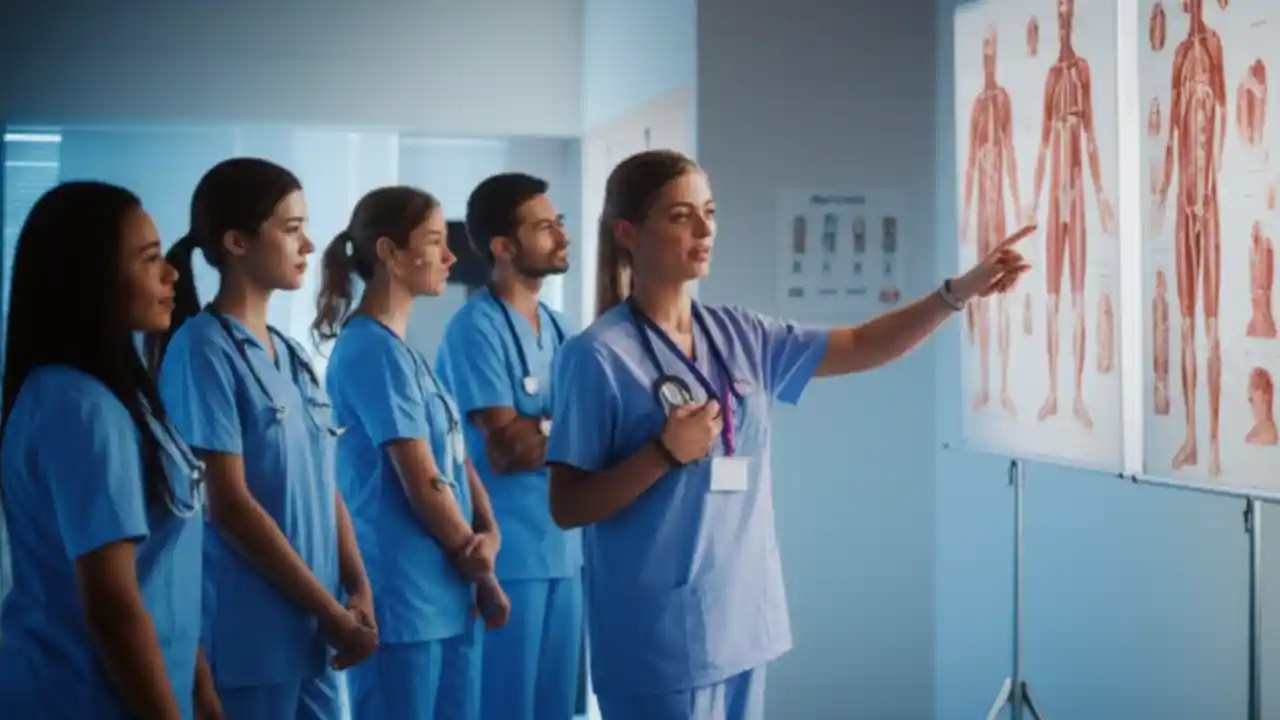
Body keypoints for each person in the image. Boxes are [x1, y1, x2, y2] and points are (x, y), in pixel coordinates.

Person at [546, 150, 1031, 719]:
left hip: (743, 622)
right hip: (656, 640)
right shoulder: (597, 355)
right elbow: (567, 505)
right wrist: (660, 454)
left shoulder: (740, 332)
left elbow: (862, 345)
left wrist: (959, 292)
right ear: (628, 232)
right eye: (681, 216)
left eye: (710, 211)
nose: (705, 230)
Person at [152, 158, 377, 720]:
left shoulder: (294, 355)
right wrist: (329, 610)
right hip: (250, 641)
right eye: (292, 229)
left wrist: (358, 587)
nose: (310, 245)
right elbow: (228, 504)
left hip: (318, 637)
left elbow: (324, 485)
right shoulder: (201, 348)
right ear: (236, 242)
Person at [0, 182, 214, 718]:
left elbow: (160, 570)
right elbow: (113, 606)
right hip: (84, 695)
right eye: (149, 260)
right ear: (88, 279)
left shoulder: (120, 397)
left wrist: (199, 687)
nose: (172, 274)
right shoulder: (79, 406)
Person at [314, 185, 510, 720]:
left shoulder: (405, 352)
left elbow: (455, 461)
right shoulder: (370, 351)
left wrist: (489, 530)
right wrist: (484, 573)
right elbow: (422, 483)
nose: (450, 257)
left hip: (448, 596)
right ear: (389, 252)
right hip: (405, 601)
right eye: (434, 242)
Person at [435, 173, 583, 720]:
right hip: (510, 558)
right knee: (505, 707)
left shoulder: (564, 330)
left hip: (566, 554)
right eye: (545, 228)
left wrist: (541, 427)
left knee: (555, 711)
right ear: (504, 247)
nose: (561, 237)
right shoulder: (475, 328)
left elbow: (595, 435)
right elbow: (507, 450)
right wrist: (567, 429)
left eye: (559, 224)